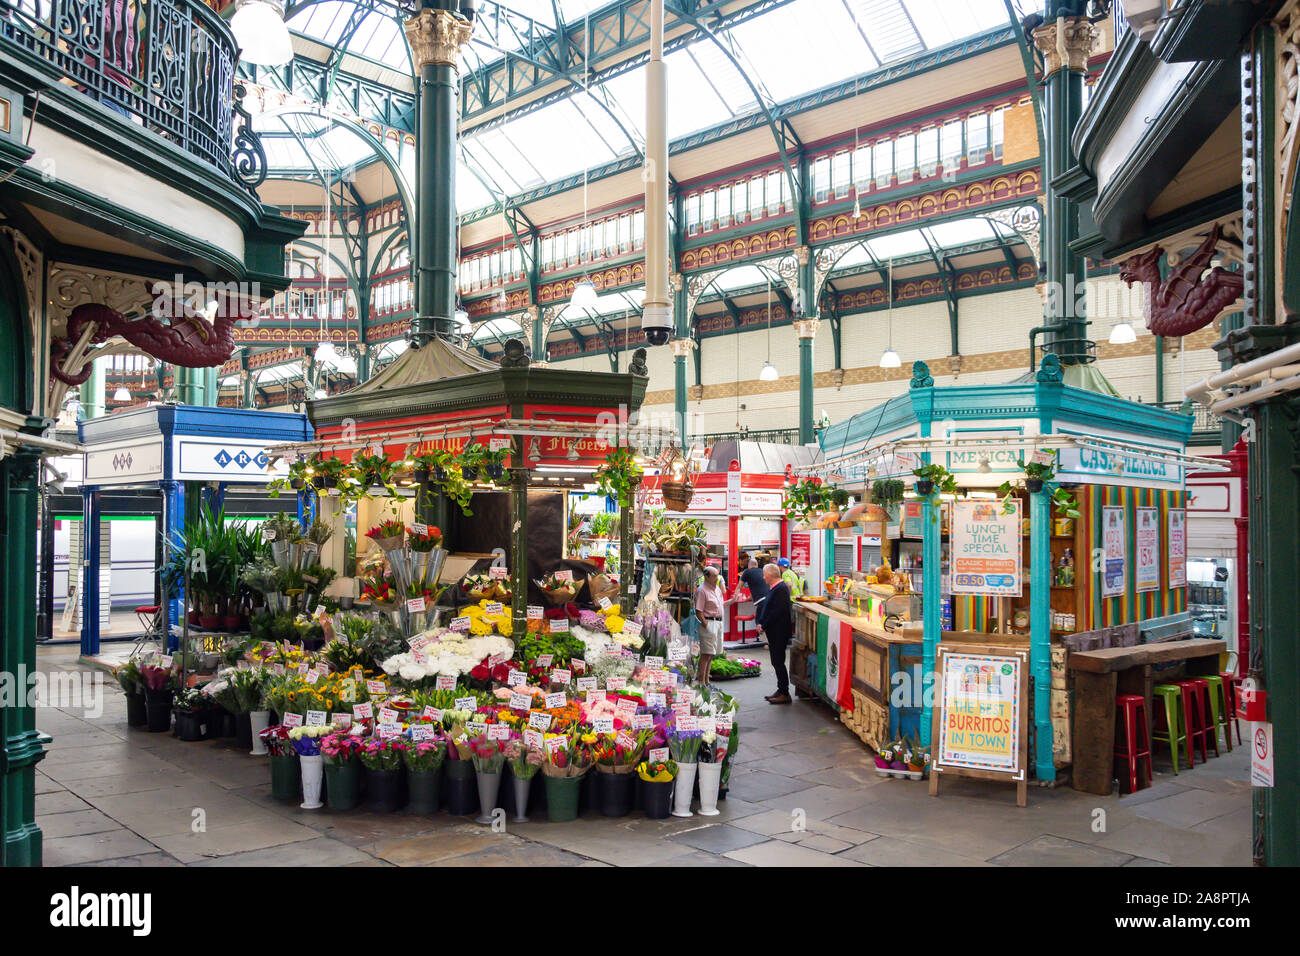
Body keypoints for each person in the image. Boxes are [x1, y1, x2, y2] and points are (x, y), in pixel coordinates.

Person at [755, 562, 793, 704]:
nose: (764, 578)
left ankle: (785, 692)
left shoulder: (780, 589)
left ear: (770, 576)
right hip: (774, 631)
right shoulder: (775, 588)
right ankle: (781, 689)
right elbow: (768, 608)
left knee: (778, 662)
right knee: (776, 661)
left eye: (765, 576)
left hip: (779, 632)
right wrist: (761, 622)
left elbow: (776, 612)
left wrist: (764, 624)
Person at [693, 566, 726, 686]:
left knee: (711, 654)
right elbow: (699, 610)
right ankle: (701, 681)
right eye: (714, 576)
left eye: (717, 575)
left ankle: (707, 680)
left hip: (718, 622)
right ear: (706, 576)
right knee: (706, 654)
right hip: (709, 622)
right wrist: (706, 623)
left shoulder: (716, 588)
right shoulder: (702, 590)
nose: (717, 578)